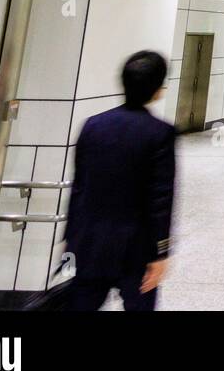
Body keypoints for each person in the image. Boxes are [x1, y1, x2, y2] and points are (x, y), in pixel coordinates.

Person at [65, 50, 176, 311]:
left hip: (90, 243)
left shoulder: (92, 126)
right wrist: (161, 252)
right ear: (158, 89)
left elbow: (79, 187)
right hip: (136, 248)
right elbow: (160, 199)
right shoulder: (160, 133)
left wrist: (71, 239)